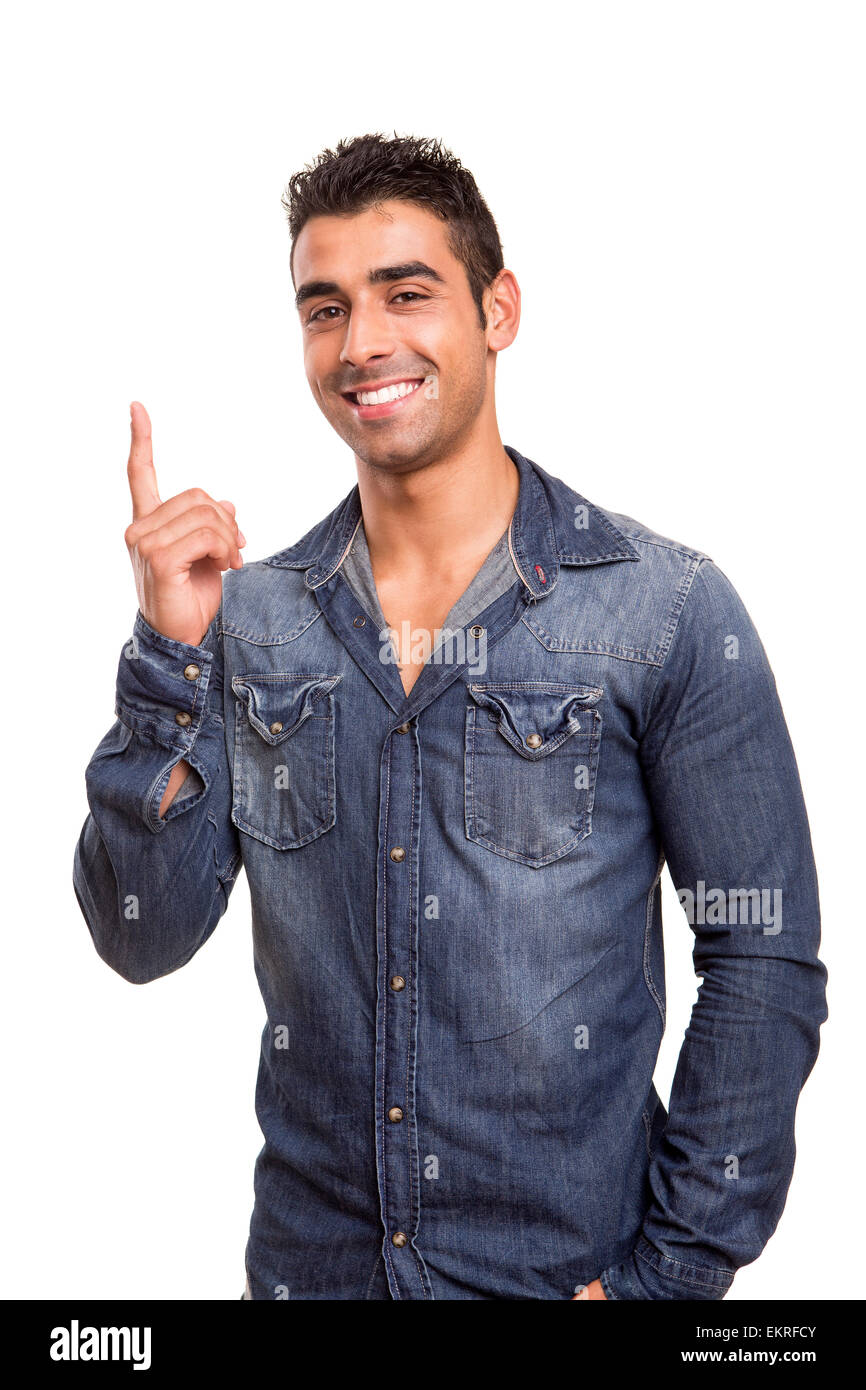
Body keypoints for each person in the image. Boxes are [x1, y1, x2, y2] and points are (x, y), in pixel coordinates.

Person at [73, 133, 827, 1301]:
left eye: (405, 293)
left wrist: (666, 1279)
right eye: (323, 308)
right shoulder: (251, 618)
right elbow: (140, 934)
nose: (362, 342)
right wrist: (170, 655)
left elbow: (761, 958)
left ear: (497, 309)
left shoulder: (662, 611)